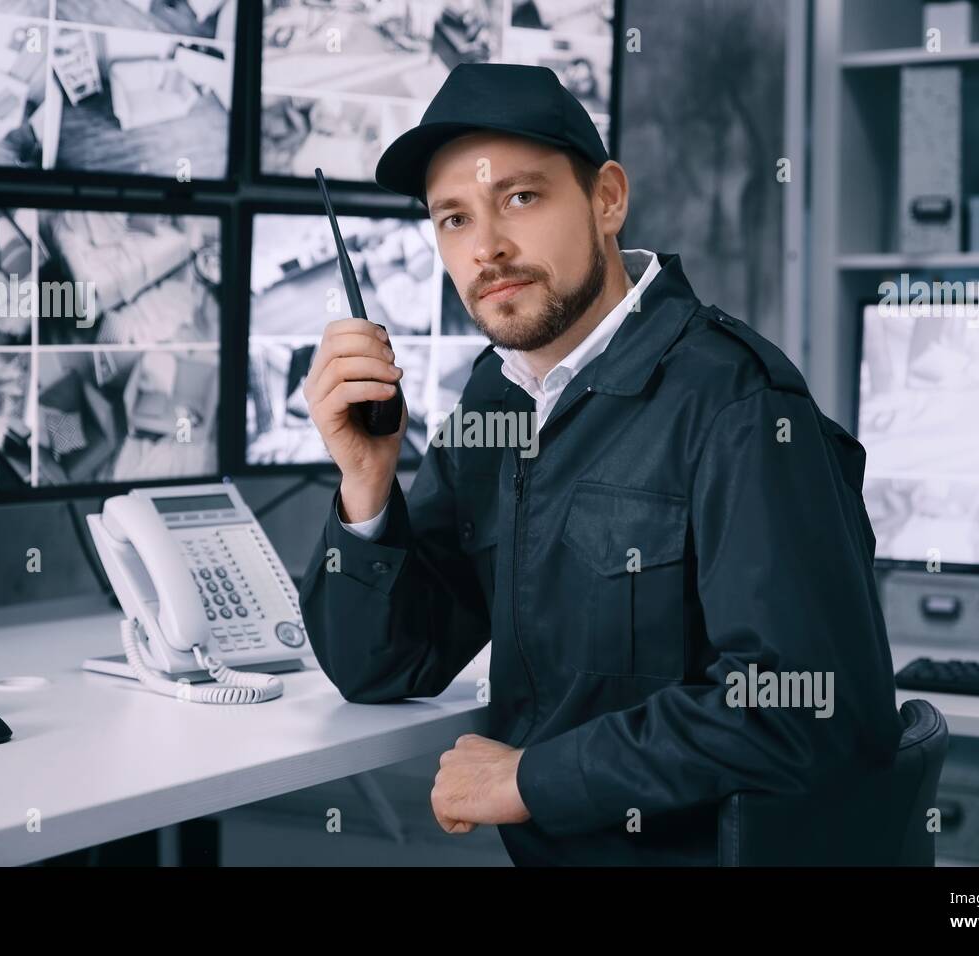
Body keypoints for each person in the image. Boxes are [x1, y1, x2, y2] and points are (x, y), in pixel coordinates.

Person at [298, 63, 901, 865]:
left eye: (521, 197)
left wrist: (533, 778)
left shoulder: (739, 407)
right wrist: (368, 481)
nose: (487, 247)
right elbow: (388, 664)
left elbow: (808, 709)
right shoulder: (499, 400)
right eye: (452, 218)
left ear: (607, 199)